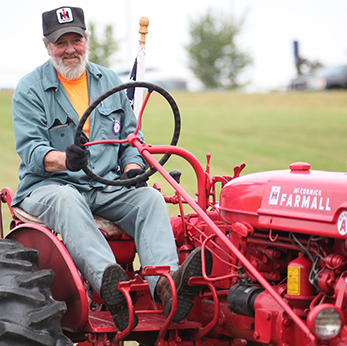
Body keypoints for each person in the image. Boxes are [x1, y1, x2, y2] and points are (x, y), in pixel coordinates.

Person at [11, 6, 211, 331]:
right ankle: (112, 285)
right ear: (48, 46)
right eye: (61, 43)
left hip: (104, 186)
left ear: (86, 40)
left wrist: (132, 166)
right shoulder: (30, 89)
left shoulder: (107, 80)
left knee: (148, 199)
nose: (70, 49)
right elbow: (32, 151)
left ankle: (164, 285)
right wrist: (63, 159)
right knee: (67, 199)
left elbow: (132, 136)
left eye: (76, 40)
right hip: (46, 189)